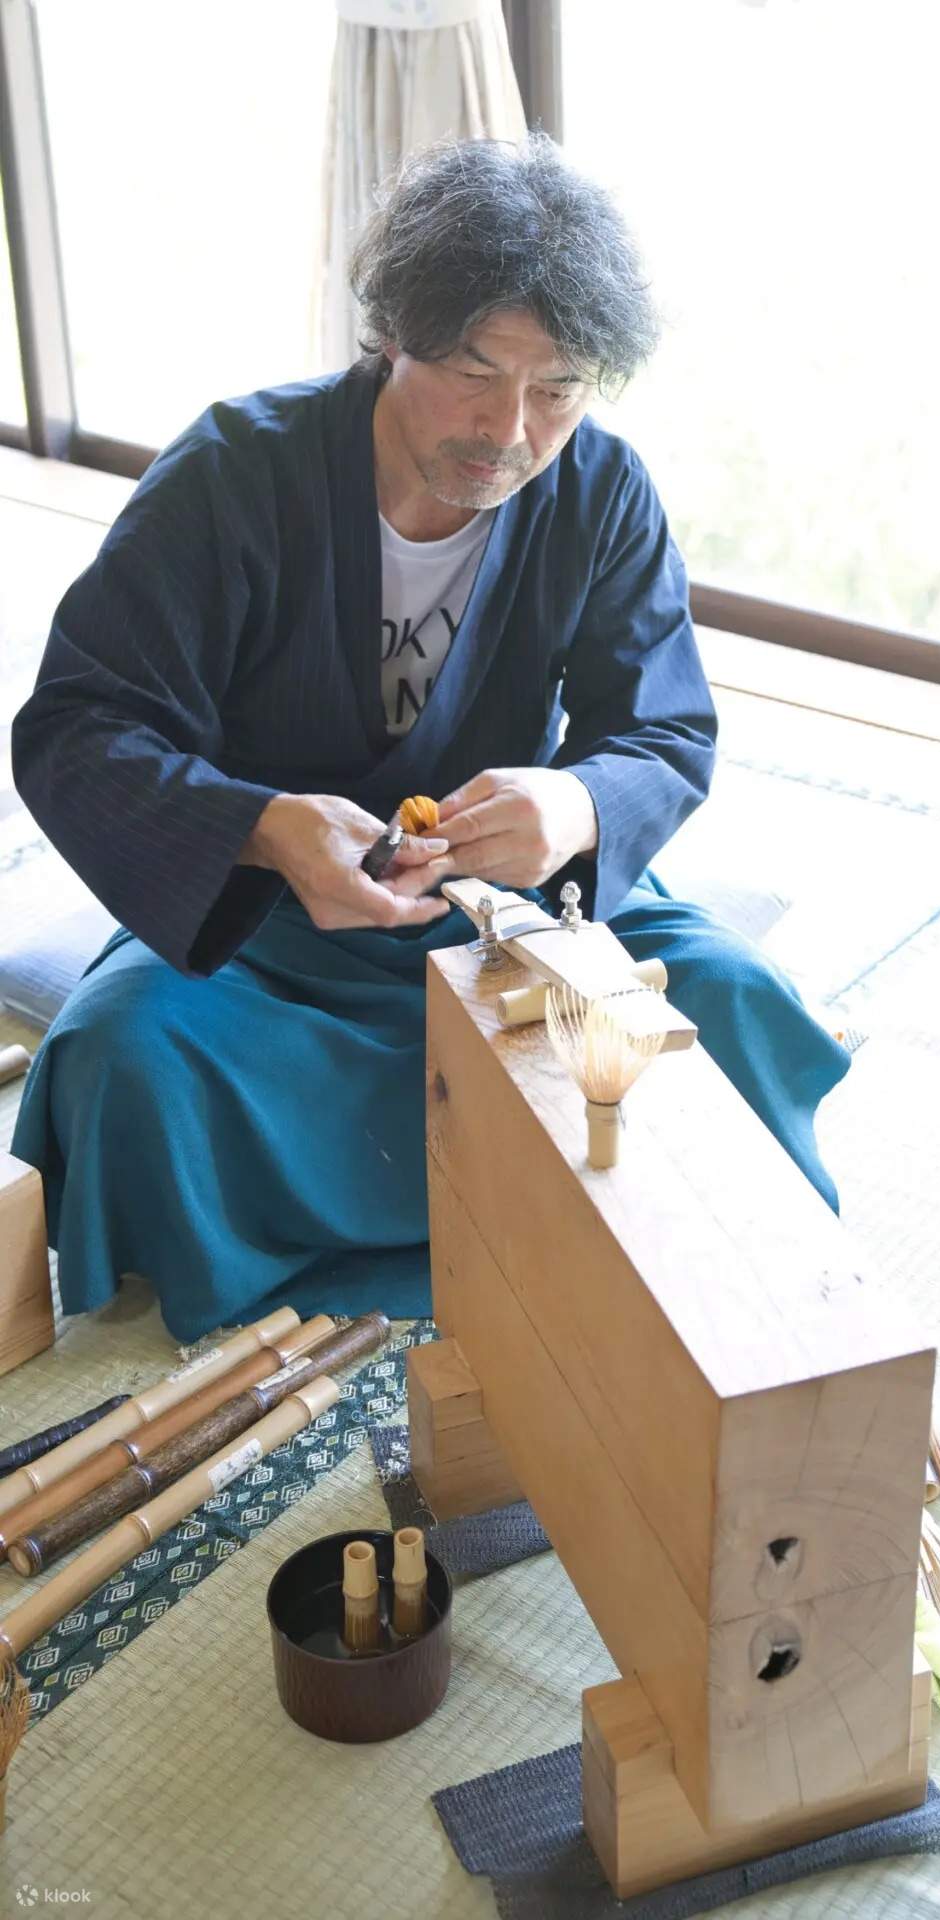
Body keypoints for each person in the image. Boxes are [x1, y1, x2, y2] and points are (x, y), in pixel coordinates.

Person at [11, 134, 850, 1342]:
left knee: (730, 997)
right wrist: (262, 827)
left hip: (512, 925)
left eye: (557, 389)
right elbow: (79, 724)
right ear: (392, 331)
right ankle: (495, 1225)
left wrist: (573, 809)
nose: (509, 427)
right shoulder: (234, 473)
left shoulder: (601, 493)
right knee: (115, 1057)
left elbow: (660, 728)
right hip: (272, 931)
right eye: (472, 368)